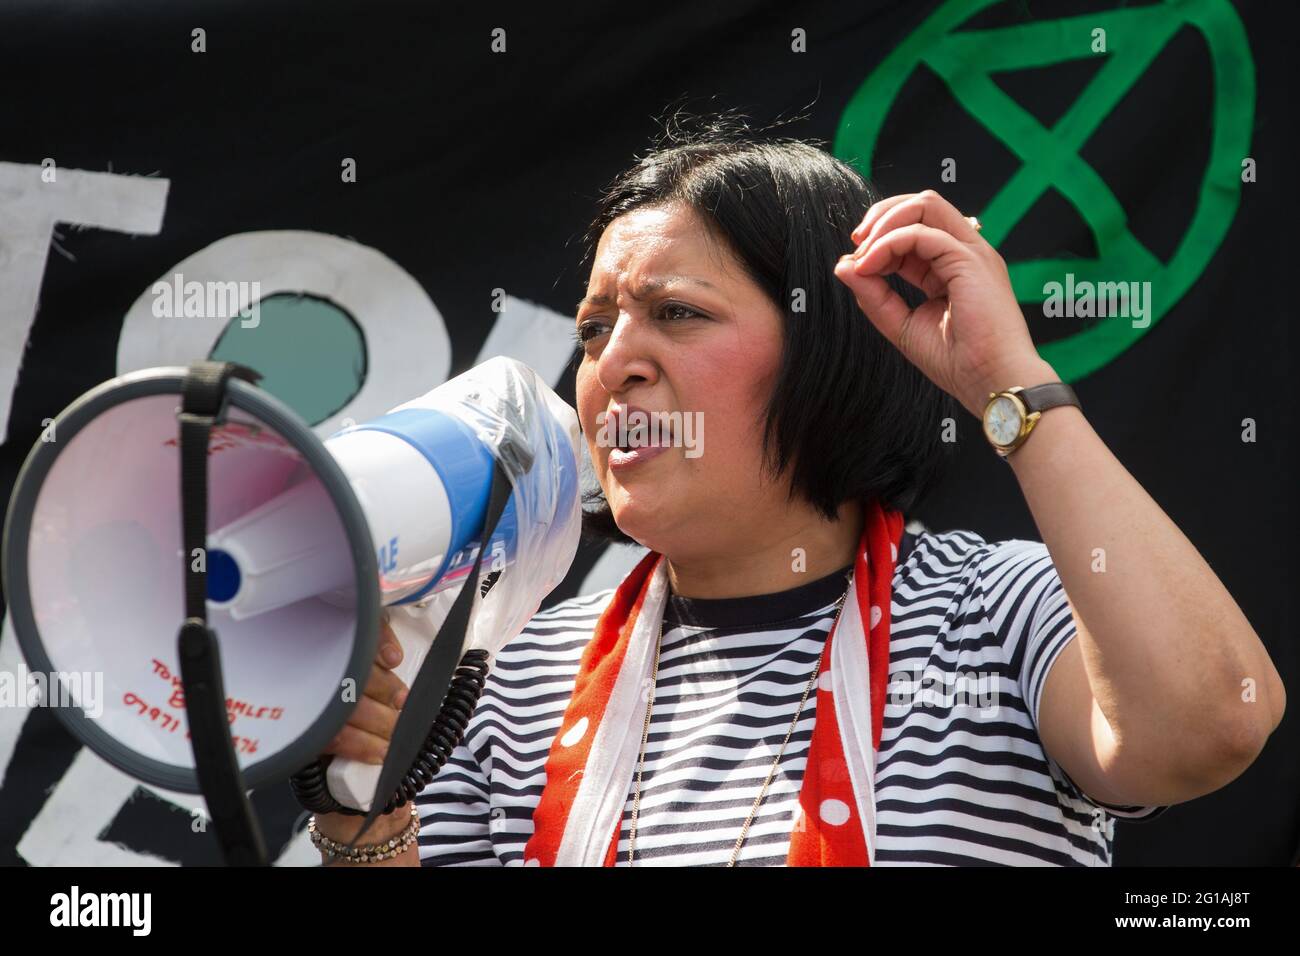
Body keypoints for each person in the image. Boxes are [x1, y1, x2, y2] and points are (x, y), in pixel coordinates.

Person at [309, 112, 1285, 866]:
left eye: (676, 312)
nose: (615, 363)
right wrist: (370, 823)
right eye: (595, 328)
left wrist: (1007, 384)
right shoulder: (512, 674)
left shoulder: (994, 613)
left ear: (827, 348)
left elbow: (1214, 720)